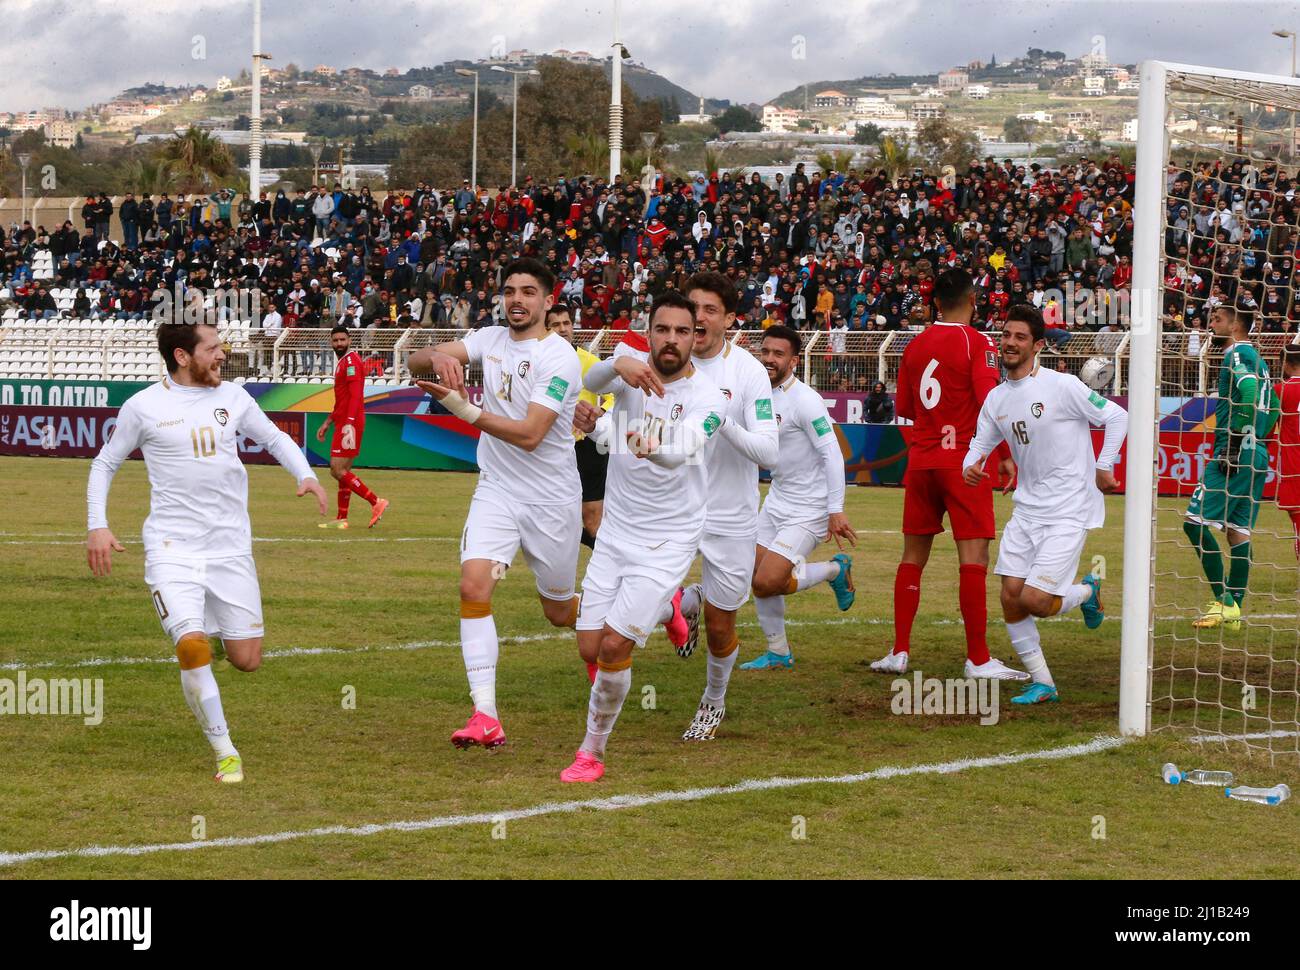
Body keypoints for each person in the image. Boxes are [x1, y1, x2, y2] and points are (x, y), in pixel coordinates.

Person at [86, 323, 328, 783]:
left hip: (230, 548)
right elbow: (105, 463)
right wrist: (97, 524)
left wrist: (306, 475)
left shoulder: (234, 397)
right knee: (192, 646)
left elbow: (274, 438)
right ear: (182, 356)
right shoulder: (143, 407)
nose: (223, 355)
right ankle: (225, 751)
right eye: (213, 348)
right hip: (171, 548)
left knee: (246, 659)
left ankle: (212, 635)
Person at [406, 258, 582, 749]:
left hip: (550, 500)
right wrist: (440, 355)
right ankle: (485, 714)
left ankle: (669, 608)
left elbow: (530, 435)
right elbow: (414, 364)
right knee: (473, 584)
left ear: (549, 300)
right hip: (498, 490)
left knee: (560, 612)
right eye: (509, 291)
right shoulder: (488, 338)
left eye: (529, 292)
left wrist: (462, 407)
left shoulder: (559, 358)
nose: (517, 300)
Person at [560, 291, 728, 782]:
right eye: (663, 330)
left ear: (695, 337)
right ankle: (671, 608)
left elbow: (678, 453)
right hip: (615, 532)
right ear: (649, 332)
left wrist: (610, 433)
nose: (672, 340)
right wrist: (618, 368)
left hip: (669, 540)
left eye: (684, 331)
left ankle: (591, 751)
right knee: (589, 646)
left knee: (614, 647)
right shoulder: (631, 373)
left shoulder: (710, 398)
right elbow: (589, 380)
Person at [612, 272, 780, 740]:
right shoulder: (655, 362)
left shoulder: (746, 372)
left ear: (729, 319)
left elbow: (769, 452)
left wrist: (717, 420)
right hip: (666, 511)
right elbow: (619, 412)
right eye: (693, 309)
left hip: (729, 516)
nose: (699, 318)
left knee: (723, 623)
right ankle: (676, 610)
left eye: (710, 310)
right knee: (631, 601)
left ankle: (713, 700)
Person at [962, 306, 1128, 704]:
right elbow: (981, 441)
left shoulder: (1063, 386)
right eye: (1006, 335)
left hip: (1069, 507)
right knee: (1009, 596)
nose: (1010, 343)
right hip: (1027, 508)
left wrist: (1104, 466)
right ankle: (1044, 683)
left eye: (1020, 337)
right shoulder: (996, 398)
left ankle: (1087, 593)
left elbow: (1118, 417)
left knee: (1035, 601)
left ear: (1037, 345)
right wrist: (972, 463)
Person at [869, 269, 1020, 679]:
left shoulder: (914, 346)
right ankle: (978, 658)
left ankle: (899, 650)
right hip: (964, 464)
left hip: (921, 461)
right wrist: (1005, 453)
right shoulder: (977, 342)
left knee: (912, 557)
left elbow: (907, 408)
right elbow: (989, 400)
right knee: (973, 558)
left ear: (935, 303)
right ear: (973, 300)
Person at [740, 326, 857, 670]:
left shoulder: (806, 401)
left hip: (810, 508)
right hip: (777, 499)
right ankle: (778, 653)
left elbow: (833, 455)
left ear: (794, 360)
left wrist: (835, 510)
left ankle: (835, 570)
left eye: (778, 354)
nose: (769, 359)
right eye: (766, 352)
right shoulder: (759, 394)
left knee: (768, 581)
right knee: (752, 574)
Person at [1184, 305, 1281, 629]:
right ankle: (1235, 608)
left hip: (1234, 452)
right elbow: (1275, 406)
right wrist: (1257, 437)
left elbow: (1250, 392)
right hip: (1257, 455)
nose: (1211, 324)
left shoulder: (1237, 354)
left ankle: (1223, 600)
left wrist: (1237, 443)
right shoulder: (1260, 360)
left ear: (1236, 324)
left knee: (1194, 524)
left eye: (1217, 319)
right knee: (1237, 532)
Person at [546, 303, 612, 553]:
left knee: (593, 517)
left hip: (588, 447)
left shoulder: (588, 360)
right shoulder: (540, 361)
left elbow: (615, 394)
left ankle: (610, 568)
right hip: (554, 447)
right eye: (556, 325)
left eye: (566, 323)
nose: (563, 329)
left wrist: (600, 413)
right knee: (555, 517)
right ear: (546, 329)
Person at [316, 326, 389, 529]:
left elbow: (357, 395)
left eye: (342, 340)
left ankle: (376, 502)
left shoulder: (351, 362)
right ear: (331, 342)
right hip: (345, 420)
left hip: (351, 421)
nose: (339, 343)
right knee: (343, 470)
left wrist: (348, 421)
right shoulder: (343, 362)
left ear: (349, 340)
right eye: (335, 340)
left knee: (337, 469)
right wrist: (329, 421)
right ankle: (342, 519)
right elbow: (343, 398)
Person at [1275, 345, 1300, 559]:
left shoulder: (1280, 390)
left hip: (1294, 463)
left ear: (1286, 364)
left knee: (1298, 520)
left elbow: (1266, 426)